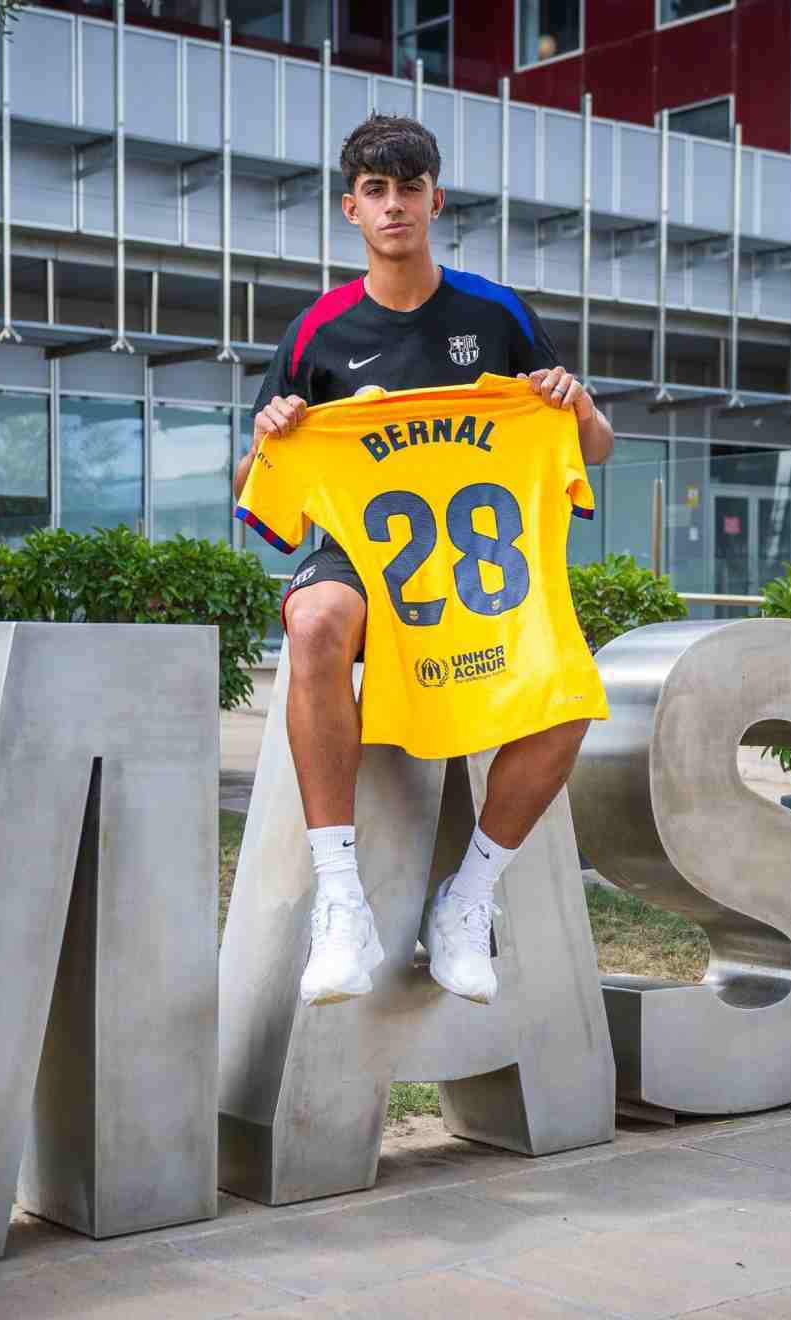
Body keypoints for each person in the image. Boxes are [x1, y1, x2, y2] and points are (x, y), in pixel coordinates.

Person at [232, 113, 615, 1008]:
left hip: (476, 573)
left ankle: (468, 895)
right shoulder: (319, 331)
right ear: (351, 209)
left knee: (571, 690)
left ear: (435, 200)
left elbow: (591, 446)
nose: (394, 204)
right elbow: (252, 481)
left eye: (409, 188)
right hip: (366, 565)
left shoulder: (497, 312)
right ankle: (341, 900)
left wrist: (578, 401)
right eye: (376, 190)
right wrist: (266, 435)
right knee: (315, 619)